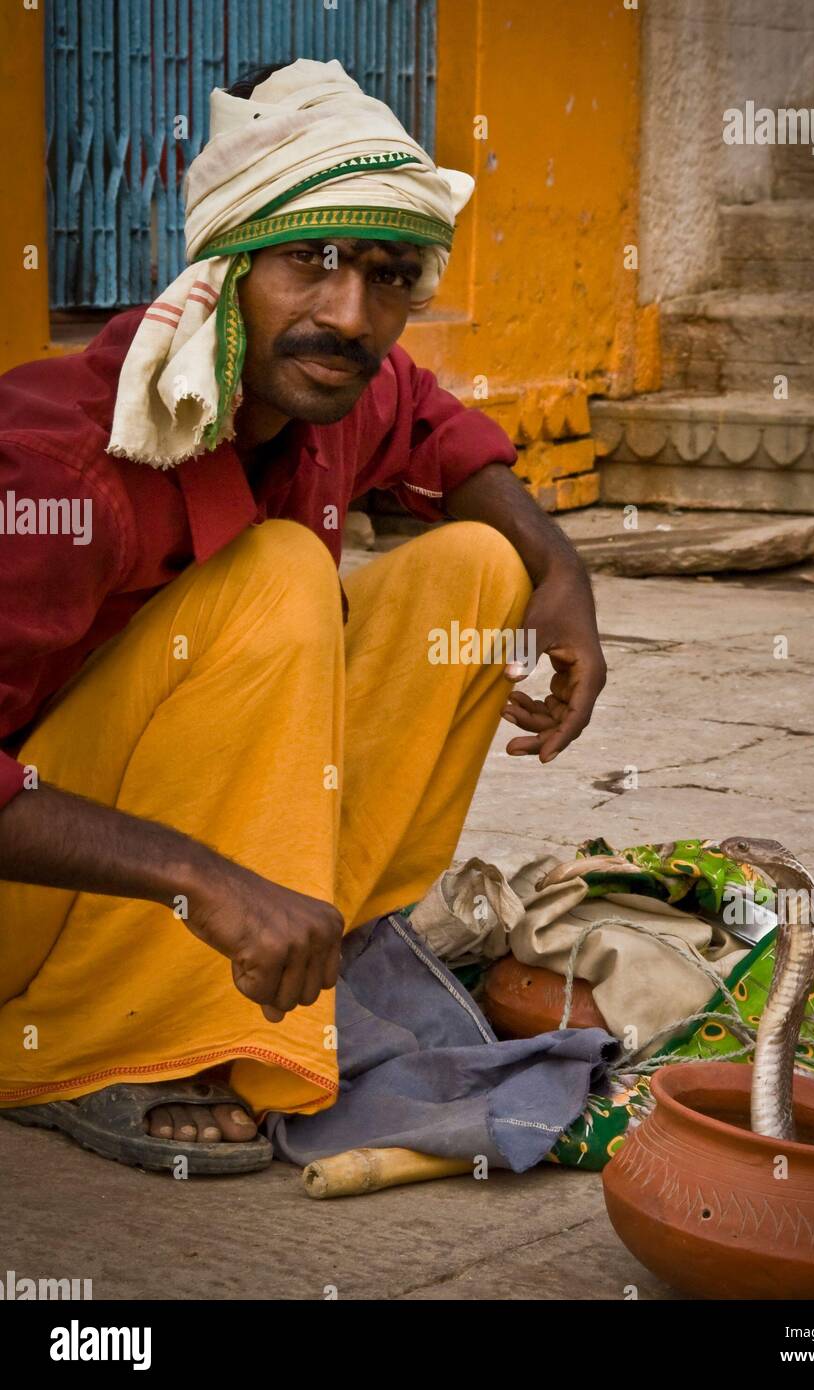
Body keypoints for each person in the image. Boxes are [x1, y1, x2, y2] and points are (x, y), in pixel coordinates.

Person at [0, 59, 605, 1171]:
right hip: (23, 916)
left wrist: (559, 570)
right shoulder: (62, 469)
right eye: (308, 266)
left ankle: (289, 962)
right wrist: (205, 880)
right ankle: (98, 1043)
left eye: (388, 278)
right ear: (225, 267)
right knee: (278, 570)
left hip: (183, 889)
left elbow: (435, 432)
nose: (349, 316)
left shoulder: (324, 385)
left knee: (474, 567)